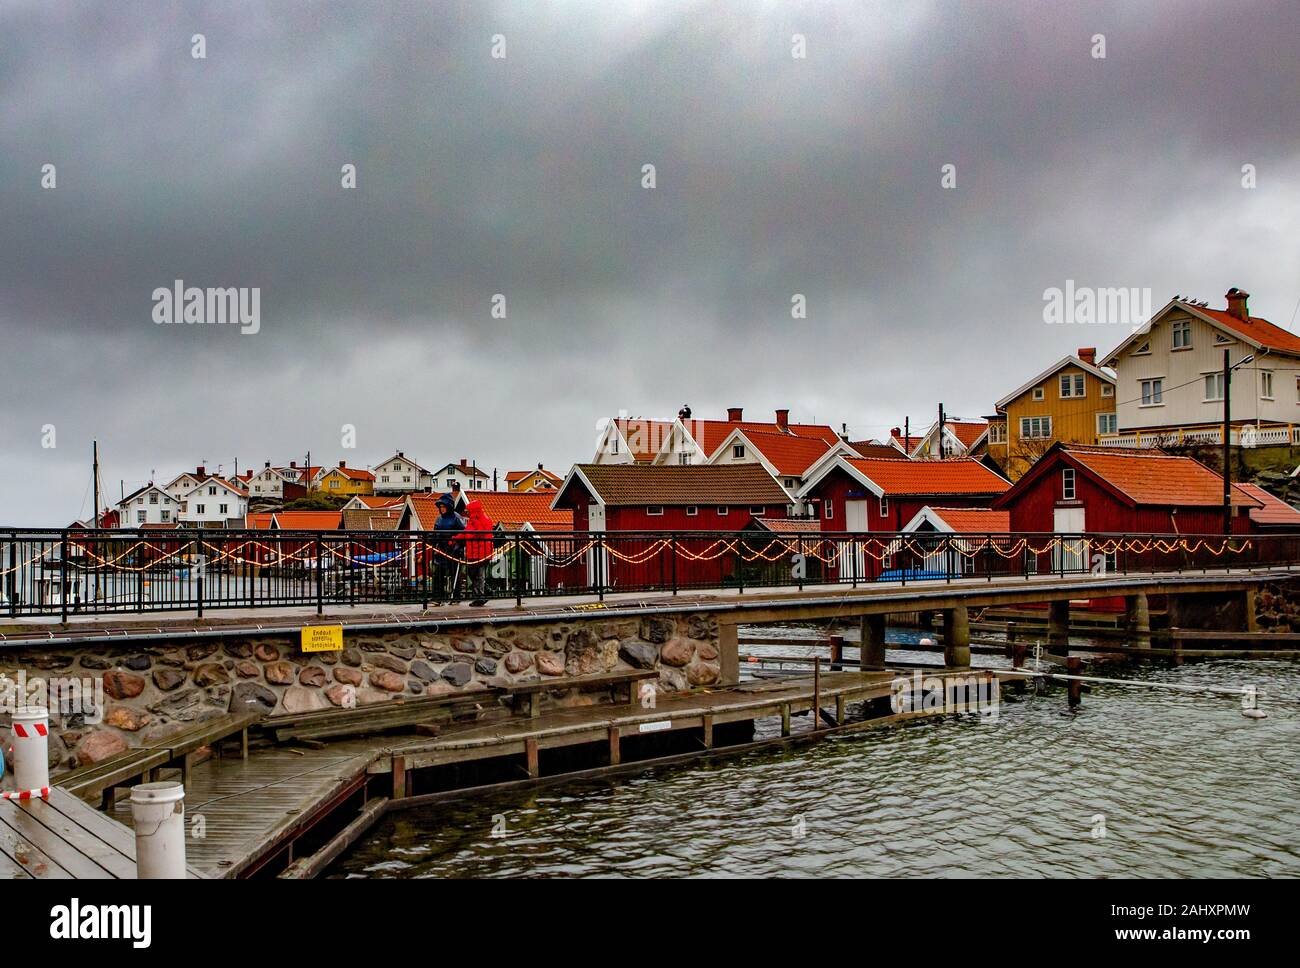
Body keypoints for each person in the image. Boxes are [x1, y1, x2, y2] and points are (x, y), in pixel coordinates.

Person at [455, 499, 496, 605]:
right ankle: (486, 592)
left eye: (468, 511)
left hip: (482, 552)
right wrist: (455, 539)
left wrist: (474, 520)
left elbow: (479, 533)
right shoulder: (472, 521)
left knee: (478, 575)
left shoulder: (484, 520)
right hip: (473, 552)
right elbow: (466, 533)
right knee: (473, 574)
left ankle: (479, 597)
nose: (466, 513)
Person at [432, 494, 465, 602]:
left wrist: (458, 546)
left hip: (453, 549)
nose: (442, 509)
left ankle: (456, 596)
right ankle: (438, 596)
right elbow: (434, 533)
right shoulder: (438, 519)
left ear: (449, 506)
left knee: (454, 573)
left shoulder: (457, 518)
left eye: (444, 507)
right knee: (438, 573)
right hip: (441, 549)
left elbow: (463, 533)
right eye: (440, 507)